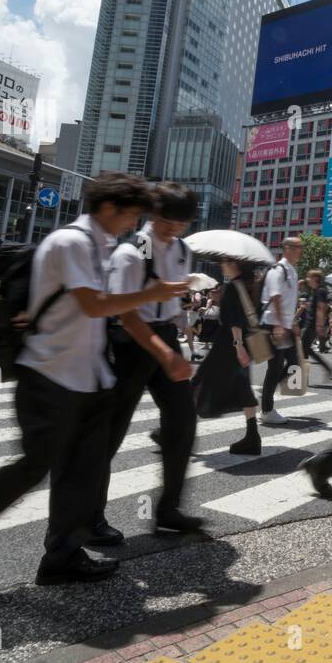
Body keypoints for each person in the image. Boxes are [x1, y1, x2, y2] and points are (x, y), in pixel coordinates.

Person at [0, 173, 189, 592]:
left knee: (84, 472)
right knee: (29, 470)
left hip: (91, 376)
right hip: (50, 376)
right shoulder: (71, 242)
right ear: (109, 209)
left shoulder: (101, 244)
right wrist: (156, 292)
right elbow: (93, 304)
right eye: (130, 214)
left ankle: (62, 557)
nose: (133, 224)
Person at [91, 182, 201, 545]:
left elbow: (171, 300)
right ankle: (89, 518)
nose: (173, 231)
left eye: (181, 225)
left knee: (183, 420)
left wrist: (180, 307)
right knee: (110, 432)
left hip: (165, 335)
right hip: (130, 341)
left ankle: (169, 508)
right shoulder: (131, 252)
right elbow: (125, 314)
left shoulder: (184, 250)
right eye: (168, 222)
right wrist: (166, 354)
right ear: (153, 215)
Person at [194, 258, 265, 453]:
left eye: (225, 262)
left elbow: (235, 320)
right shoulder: (252, 286)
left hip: (228, 345)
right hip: (241, 345)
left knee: (199, 382)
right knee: (242, 388)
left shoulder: (234, 287)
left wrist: (238, 345)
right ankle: (252, 437)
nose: (221, 265)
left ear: (235, 265)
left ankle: (176, 431)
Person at [258, 237, 302, 426]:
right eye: (297, 247)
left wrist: (291, 323)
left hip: (283, 324)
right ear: (286, 248)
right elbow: (275, 297)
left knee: (296, 362)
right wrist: (278, 325)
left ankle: (268, 390)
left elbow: (287, 303)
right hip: (272, 324)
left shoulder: (292, 271)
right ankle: (267, 410)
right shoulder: (278, 270)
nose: (300, 250)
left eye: (301, 247)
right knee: (275, 366)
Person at [299, 270, 332, 378]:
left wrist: (319, 326)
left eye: (309, 277)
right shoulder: (315, 291)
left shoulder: (320, 291)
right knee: (305, 350)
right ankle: (305, 376)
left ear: (315, 278)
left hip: (312, 326)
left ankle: (326, 368)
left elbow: (321, 308)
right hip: (310, 325)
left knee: (303, 350)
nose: (307, 279)